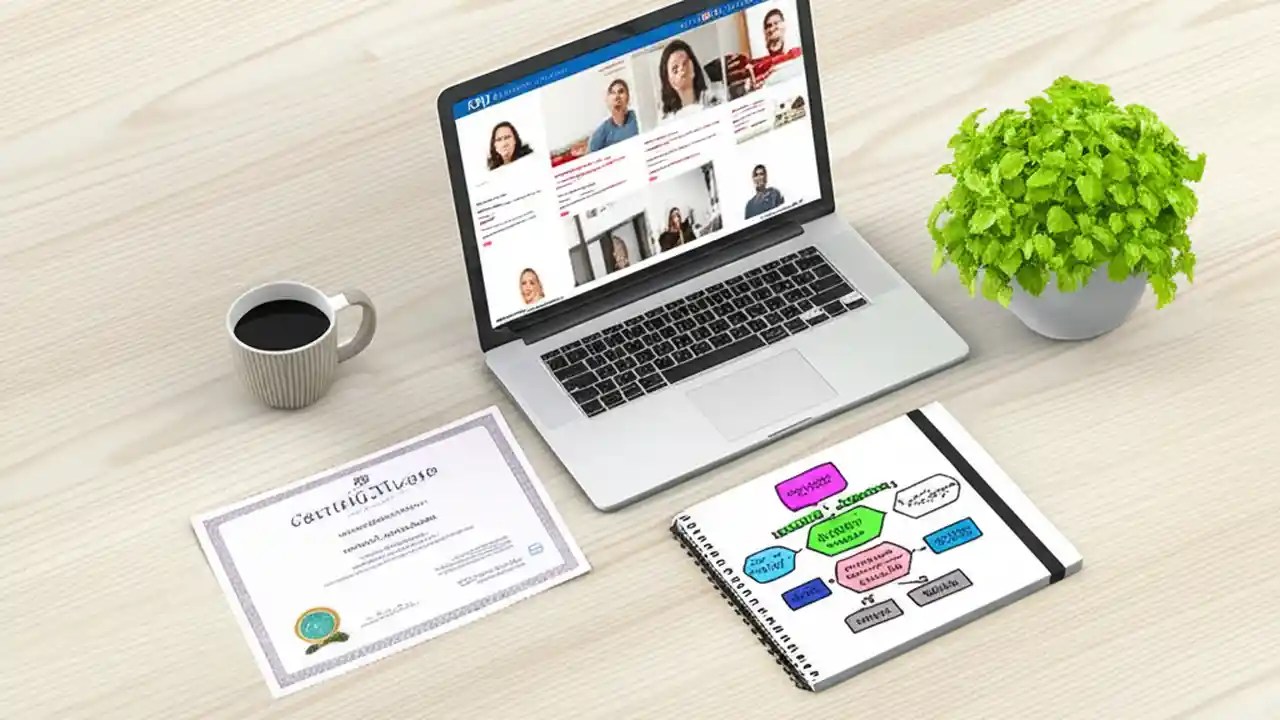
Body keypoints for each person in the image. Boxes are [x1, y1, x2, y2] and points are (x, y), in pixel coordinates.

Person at [657, 40, 723, 123]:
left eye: (685, 63)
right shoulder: (668, 121)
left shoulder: (716, 97)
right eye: (675, 68)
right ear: (669, 80)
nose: (682, 68)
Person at [588, 79, 640, 152]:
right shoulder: (600, 134)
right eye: (613, 93)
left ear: (628, 98)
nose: (617, 97)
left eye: (621, 92)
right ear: (607, 101)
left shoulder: (638, 119)